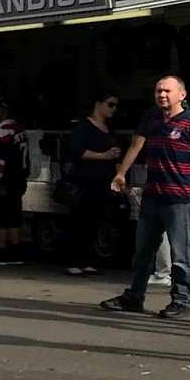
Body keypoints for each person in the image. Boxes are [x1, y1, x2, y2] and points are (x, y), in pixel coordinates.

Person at [99, 75, 190, 319]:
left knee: (181, 254)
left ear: (181, 95)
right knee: (143, 252)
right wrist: (121, 173)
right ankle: (134, 297)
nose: (162, 95)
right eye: (158, 91)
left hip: (179, 200)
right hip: (153, 196)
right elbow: (135, 146)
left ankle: (181, 301)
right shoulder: (152, 118)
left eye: (167, 91)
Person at [62, 92, 122, 276]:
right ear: (98, 104)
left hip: (103, 182)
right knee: (79, 221)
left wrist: (119, 175)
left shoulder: (110, 129)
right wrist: (103, 156)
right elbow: (77, 151)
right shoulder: (84, 127)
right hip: (84, 181)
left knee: (95, 222)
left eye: (115, 106)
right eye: (110, 104)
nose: (113, 109)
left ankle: (87, 260)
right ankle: (73, 260)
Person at [0, 97, 29, 265]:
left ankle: (1, 252)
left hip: (4, 181)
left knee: (0, 218)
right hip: (18, 180)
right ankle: (16, 252)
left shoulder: (2, 132)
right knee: (14, 217)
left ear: (4, 111)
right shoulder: (19, 131)